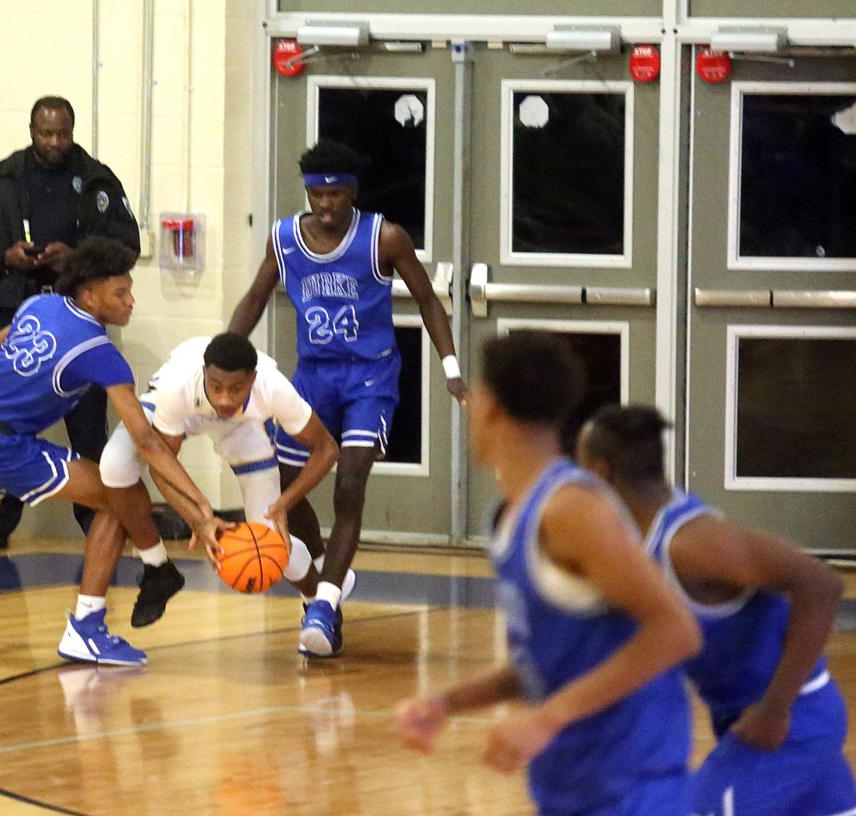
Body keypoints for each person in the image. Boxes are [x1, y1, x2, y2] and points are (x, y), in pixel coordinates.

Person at [0, 238, 224, 667]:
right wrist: (200, 504)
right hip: (2, 442)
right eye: (119, 294)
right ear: (89, 295)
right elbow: (145, 441)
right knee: (119, 497)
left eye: (129, 291)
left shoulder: (40, 305)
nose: (130, 303)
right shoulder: (99, 353)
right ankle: (95, 621)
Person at [395, 332, 701, 815]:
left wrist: (547, 719)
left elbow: (677, 631)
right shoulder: (517, 513)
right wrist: (447, 703)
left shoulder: (571, 510)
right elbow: (548, 663)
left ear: (491, 405)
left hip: (634, 789)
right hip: (572, 786)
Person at [228, 139, 467, 657]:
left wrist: (451, 368)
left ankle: (325, 604)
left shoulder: (385, 237)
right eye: (318, 195)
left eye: (336, 195)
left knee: (350, 480)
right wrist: (223, 358)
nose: (327, 205)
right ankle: (324, 564)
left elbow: (428, 298)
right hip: (312, 376)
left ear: (352, 192)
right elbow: (254, 297)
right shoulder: (285, 238)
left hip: (369, 378)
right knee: (287, 484)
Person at [576, 405, 856, 815]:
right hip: (746, 717)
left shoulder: (693, 542)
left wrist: (776, 709)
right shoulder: (637, 535)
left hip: (791, 720)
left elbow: (822, 584)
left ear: (600, 473)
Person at [0, 95, 140, 552]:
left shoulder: (98, 179)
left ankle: (98, 522)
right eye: (45, 133)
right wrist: (6, 256)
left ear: (72, 131)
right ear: (32, 129)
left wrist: (75, 260)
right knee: (9, 423)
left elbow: (127, 243)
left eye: (61, 133)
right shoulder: (2, 179)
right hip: (17, 312)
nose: (53, 142)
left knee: (88, 426)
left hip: (78, 317)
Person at [99, 332, 355, 631]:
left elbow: (326, 449)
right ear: (204, 374)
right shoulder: (177, 384)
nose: (224, 398)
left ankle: (320, 608)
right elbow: (161, 467)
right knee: (115, 465)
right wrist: (199, 517)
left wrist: (286, 501)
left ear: (253, 379)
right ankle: (156, 566)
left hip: (241, 425)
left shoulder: (272, 387)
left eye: (236, 389)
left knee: (272, 541)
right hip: (175, 409)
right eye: (216, 387)